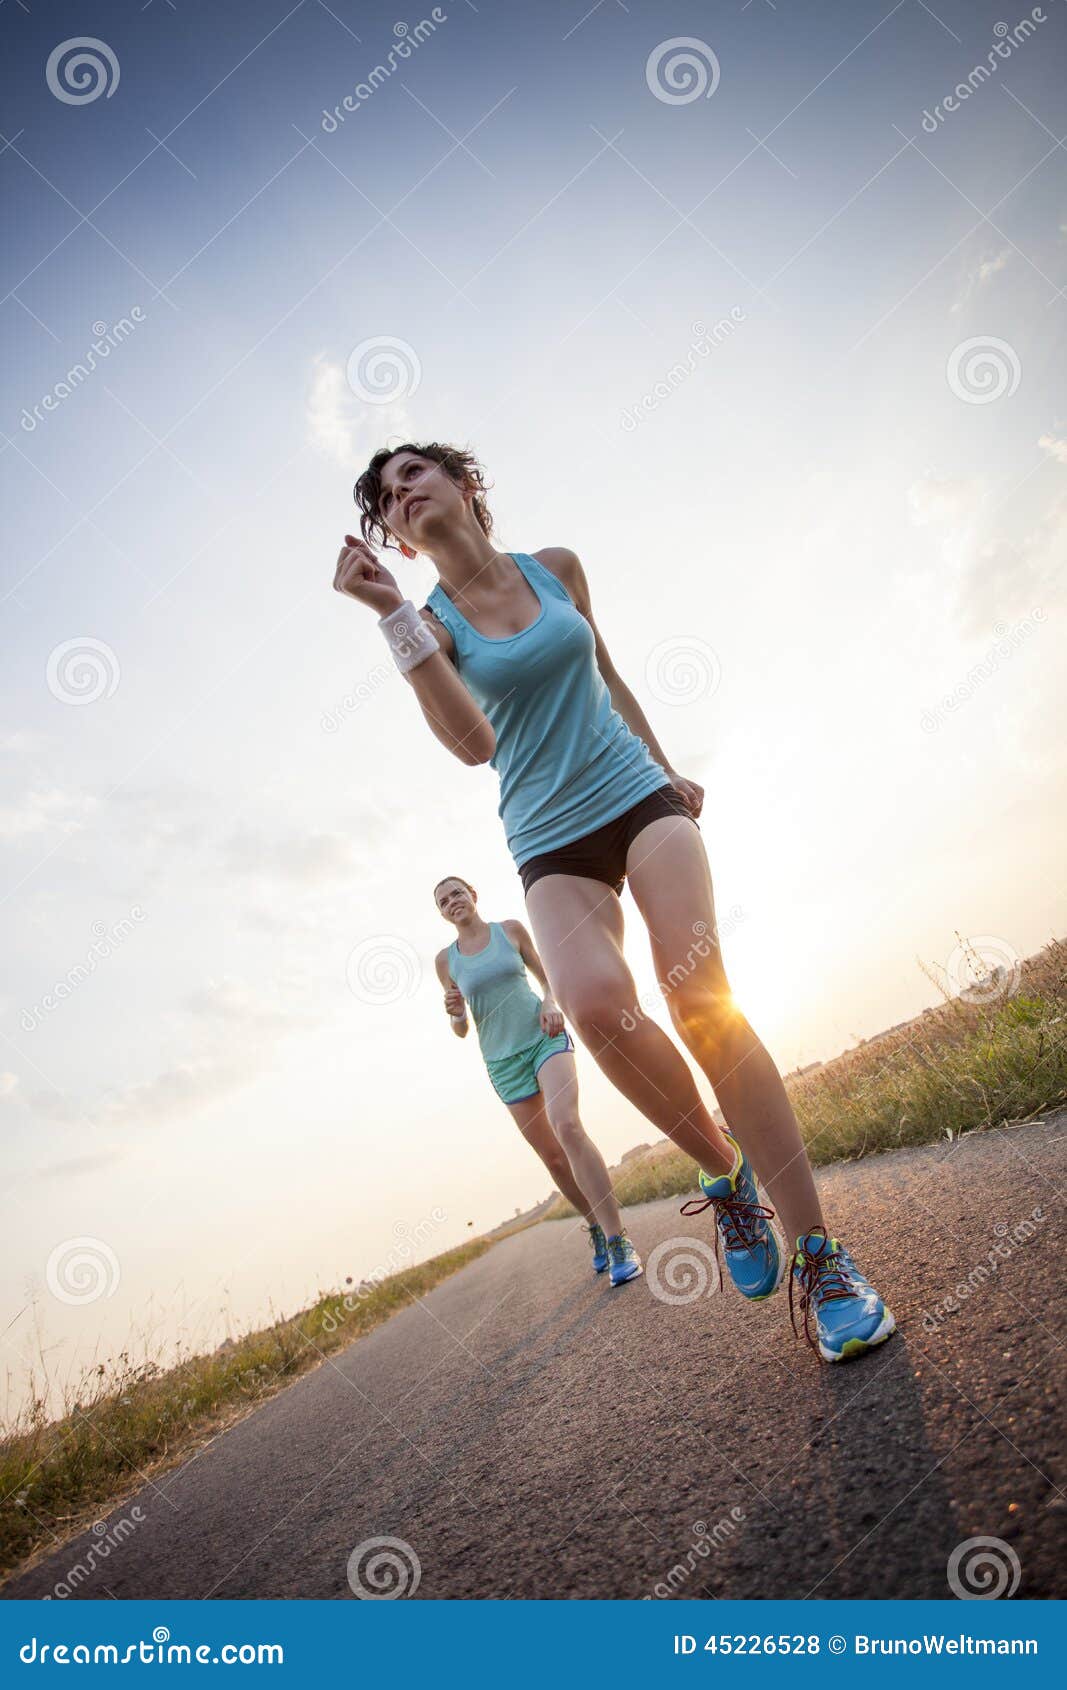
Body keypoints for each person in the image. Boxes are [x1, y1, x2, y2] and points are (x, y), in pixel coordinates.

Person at [333, 442, 895, 1363]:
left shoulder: (556, 570)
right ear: (394, 539)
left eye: (414, 475)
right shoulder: (424, 623)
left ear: (463, 485)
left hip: (637, 797)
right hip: (550, 842)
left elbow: (609, 674)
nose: (403, 495)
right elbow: (473, 744)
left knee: (702, 1004)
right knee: (594, 1008)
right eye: (389, 500)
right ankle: (723, 1175)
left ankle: (823, 1261)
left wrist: (666, 765)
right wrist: (392, 617)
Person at [433, 873, 642, 1287]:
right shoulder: (446, 961)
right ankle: (595, 1227)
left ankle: (619, 1239)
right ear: (441, 913)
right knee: (553, 1157)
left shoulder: (509, 930)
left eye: (457, 892)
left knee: (567, 1125)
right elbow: (460, 1029)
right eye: (443, 901)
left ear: (473, 894)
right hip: (502, 1062)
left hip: (543, 1037)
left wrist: (549, 1002)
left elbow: (547, 978)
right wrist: (454, 1012)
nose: (452, 901)